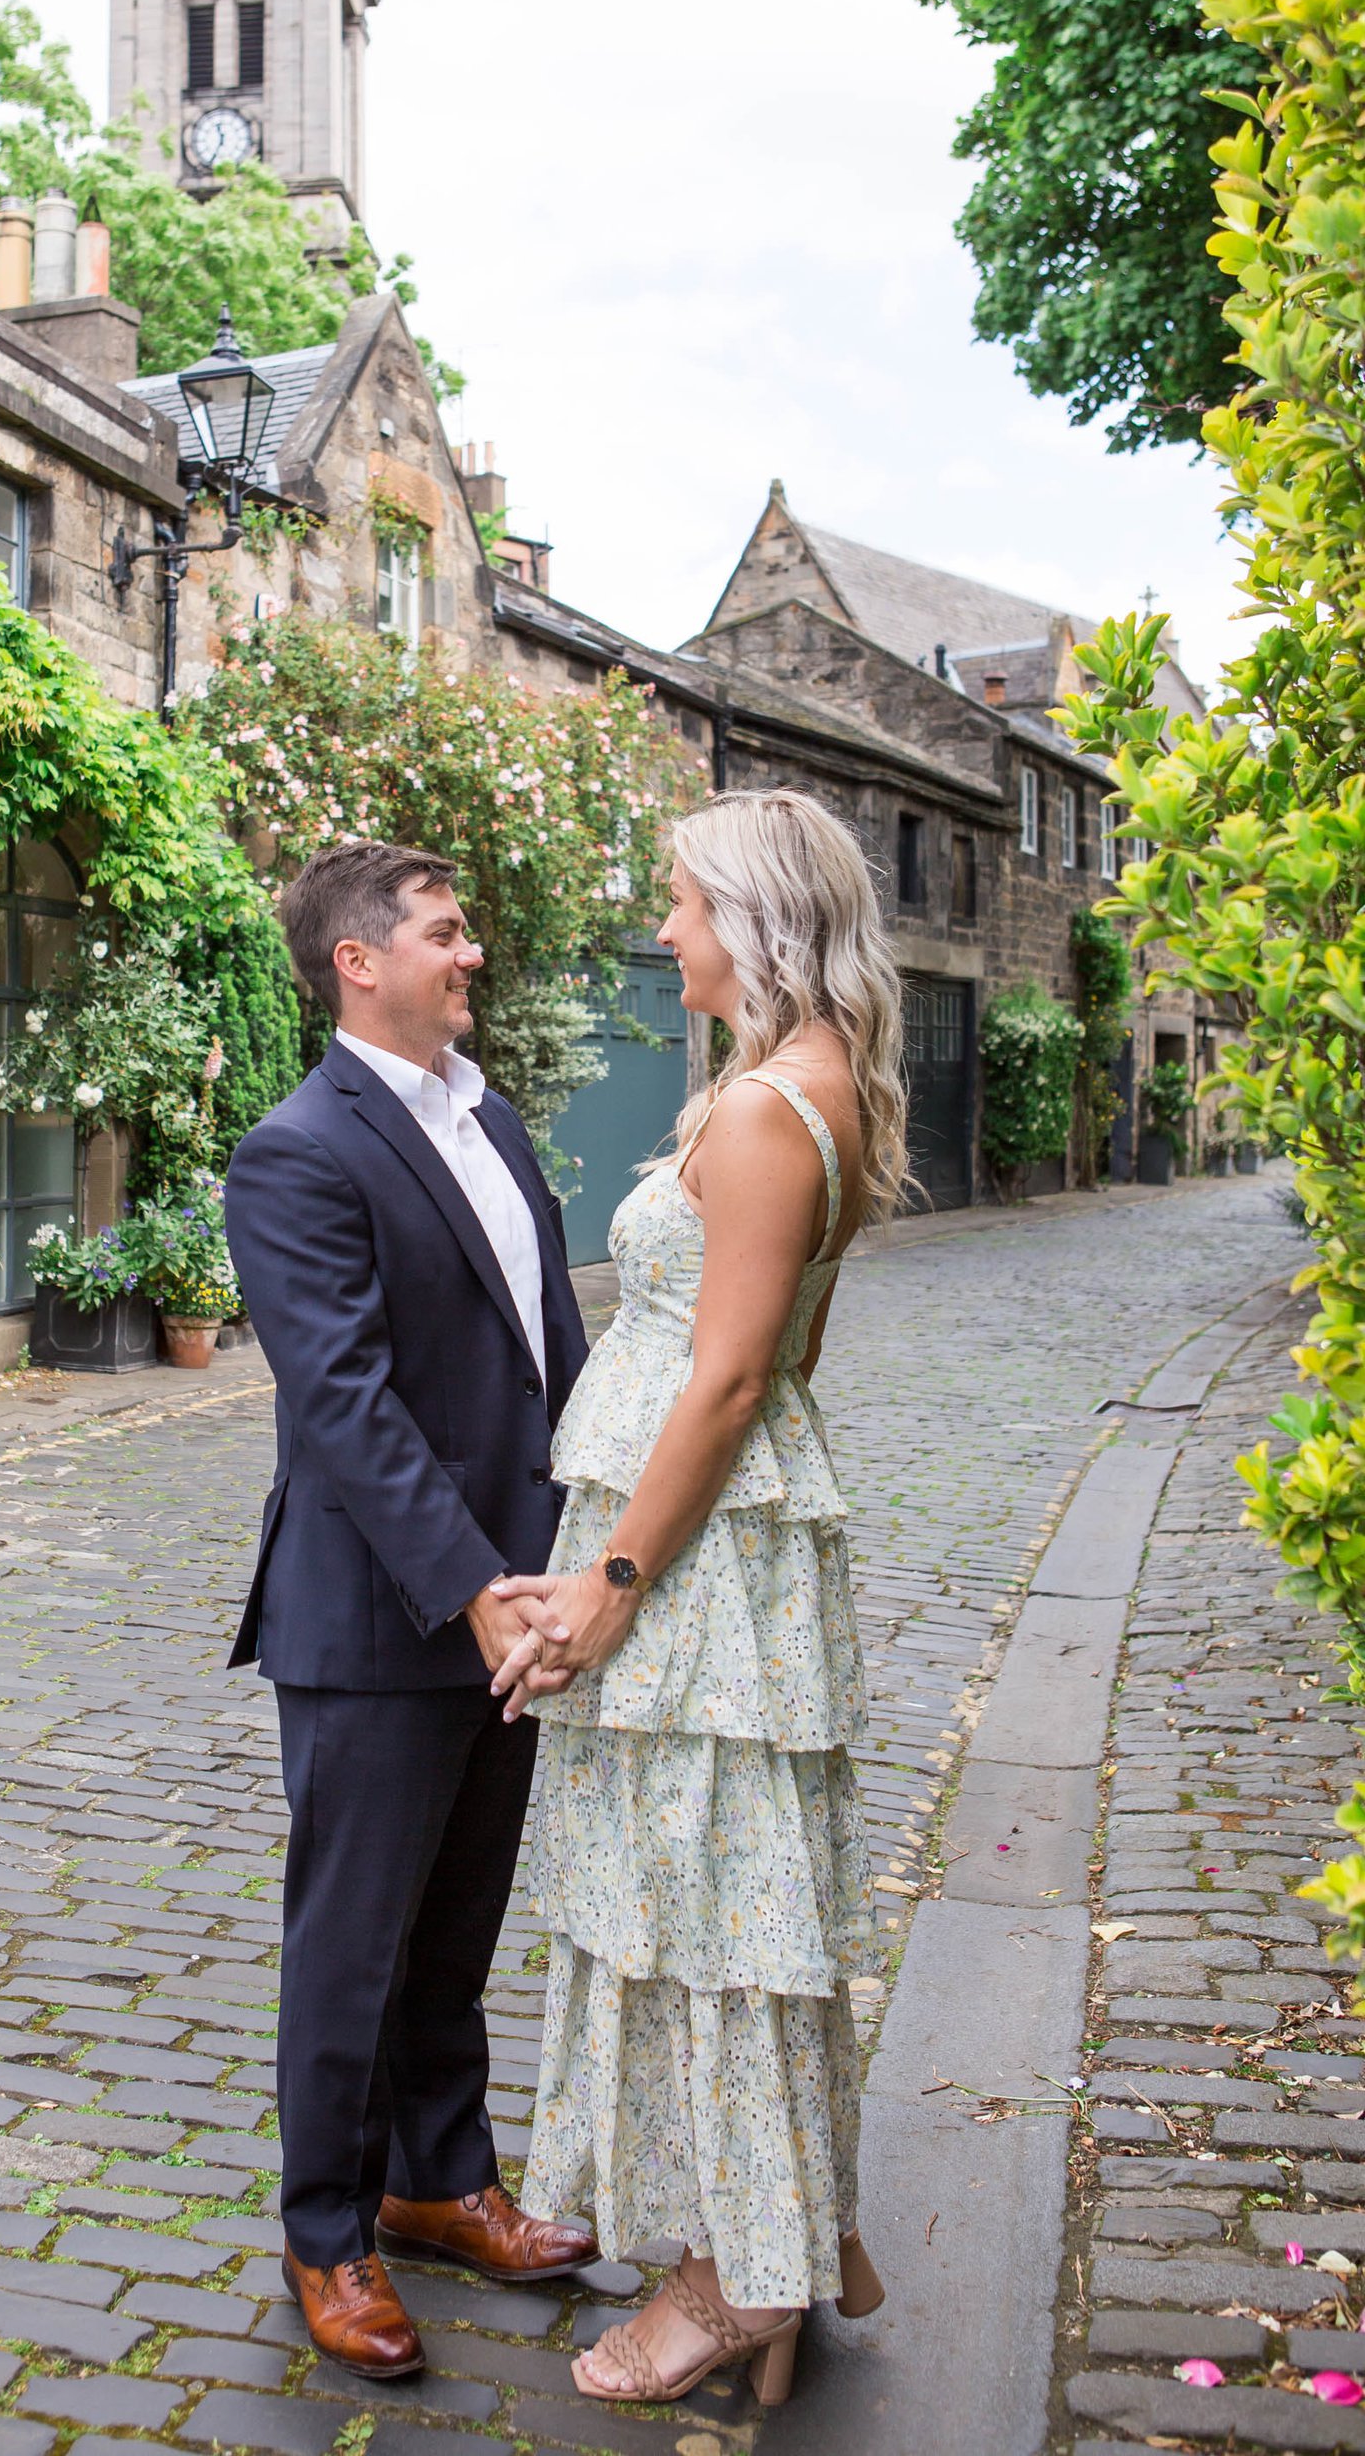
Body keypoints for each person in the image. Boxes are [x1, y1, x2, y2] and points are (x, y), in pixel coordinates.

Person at [490, 788, 904, 2411]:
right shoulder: (808, 1090)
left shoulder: (759, 1113)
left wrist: (606, 1579)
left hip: (698, 1577)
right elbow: (783, 1362)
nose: (662, 931)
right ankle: (784, 2243)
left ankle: (736, 2280)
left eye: (680, 903)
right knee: (733, 1913)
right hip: (726, 1559)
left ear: (755, 919)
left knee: (708, 1921)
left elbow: (732, 1382)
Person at [224, 838, 597, 2380]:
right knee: (353, 1941)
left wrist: (582, 1552)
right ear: (356, 962)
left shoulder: (489, 1114)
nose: (473, 957)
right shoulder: (295, 1150)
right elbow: (346, 1407)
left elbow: (546, 1347)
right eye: (446, 934)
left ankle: (440, 2178)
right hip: (389, 1617)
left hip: (521, 1591)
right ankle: (328, 2235)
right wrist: (472, 1594)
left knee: (456, 1925)